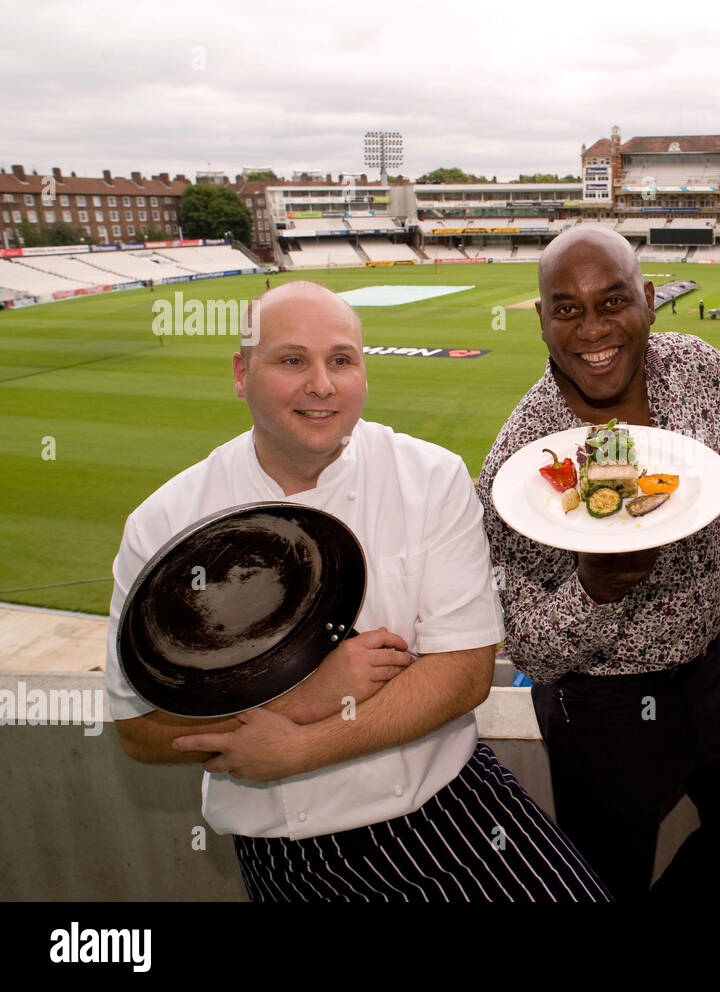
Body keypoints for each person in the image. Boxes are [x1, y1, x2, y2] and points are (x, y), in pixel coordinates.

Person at [105, 281, 608, 903]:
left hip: (453, 810)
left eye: (341, 360)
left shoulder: (430, 476)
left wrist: (303, 735)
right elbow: (141, 730)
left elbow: (465, 672)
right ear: (241, 373)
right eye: (292, 361)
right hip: (293, 858)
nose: (322, 384)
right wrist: (316, 691)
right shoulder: (163, 524)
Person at [476, 226, 720, 901]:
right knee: (607, 880)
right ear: (542, 321)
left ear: (649, 301)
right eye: (567, 308)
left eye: (613, 301)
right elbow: (532, 651)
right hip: (598, 706)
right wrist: (593, 589)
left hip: (710, 665)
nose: (593, 330)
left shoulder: (695, 368)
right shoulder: (519, 460)